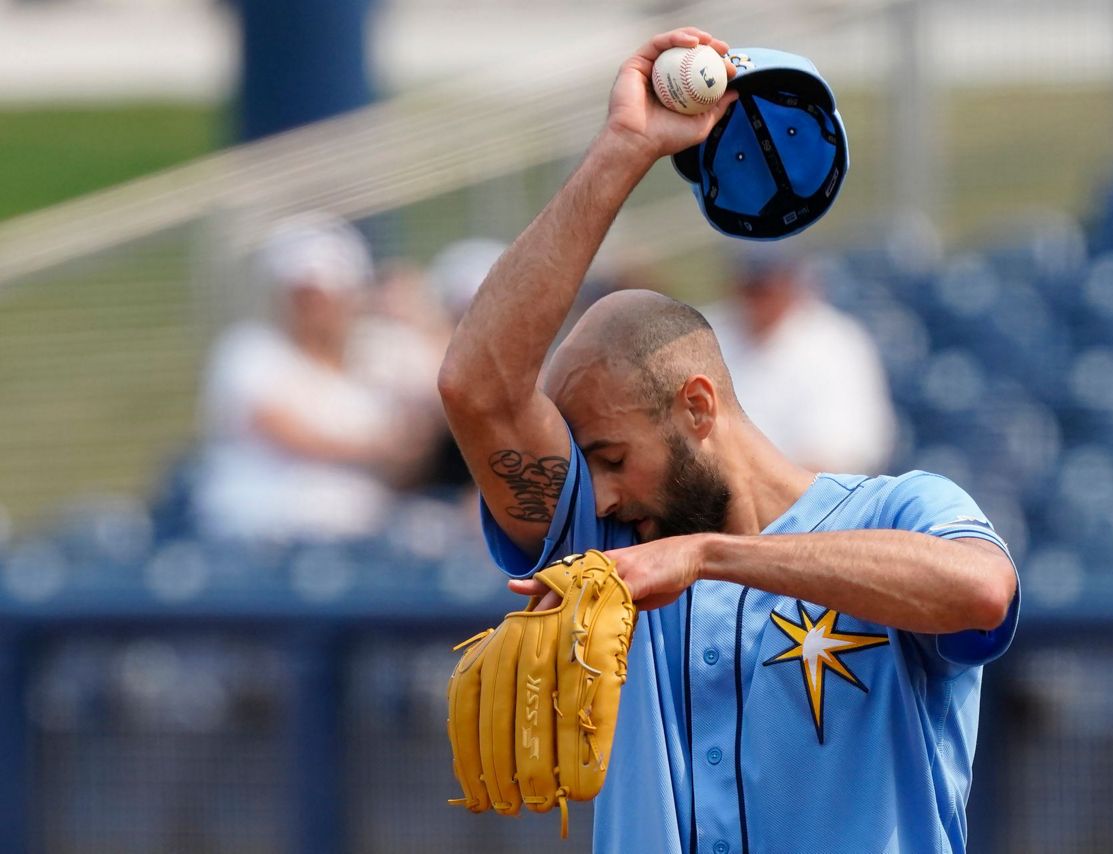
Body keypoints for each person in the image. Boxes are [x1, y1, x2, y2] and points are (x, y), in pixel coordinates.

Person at [438, 29, 1019, 854]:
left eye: (608, 456)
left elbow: (981, 593)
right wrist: (625, 148)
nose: (597, 493)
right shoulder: (609, 551)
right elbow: (478, 388)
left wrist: (712, 557)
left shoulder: (900, 507)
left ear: (698, 408)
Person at [194, 214, 425, 542]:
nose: (314, 307)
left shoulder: (382, 358)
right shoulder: (249, 352)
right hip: (259, 540)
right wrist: (384, 445)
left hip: (360, 537)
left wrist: (417, 312)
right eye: (302, 296)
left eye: (323, 296)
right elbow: (284, 430)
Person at [702, 247, 896, 474]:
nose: (757, 299)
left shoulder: (834, 340)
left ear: (791, 283)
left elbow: (834, 456)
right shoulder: (710, 333)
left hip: (824, 499)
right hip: (724, 491)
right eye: (749, 287)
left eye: (765, 287)